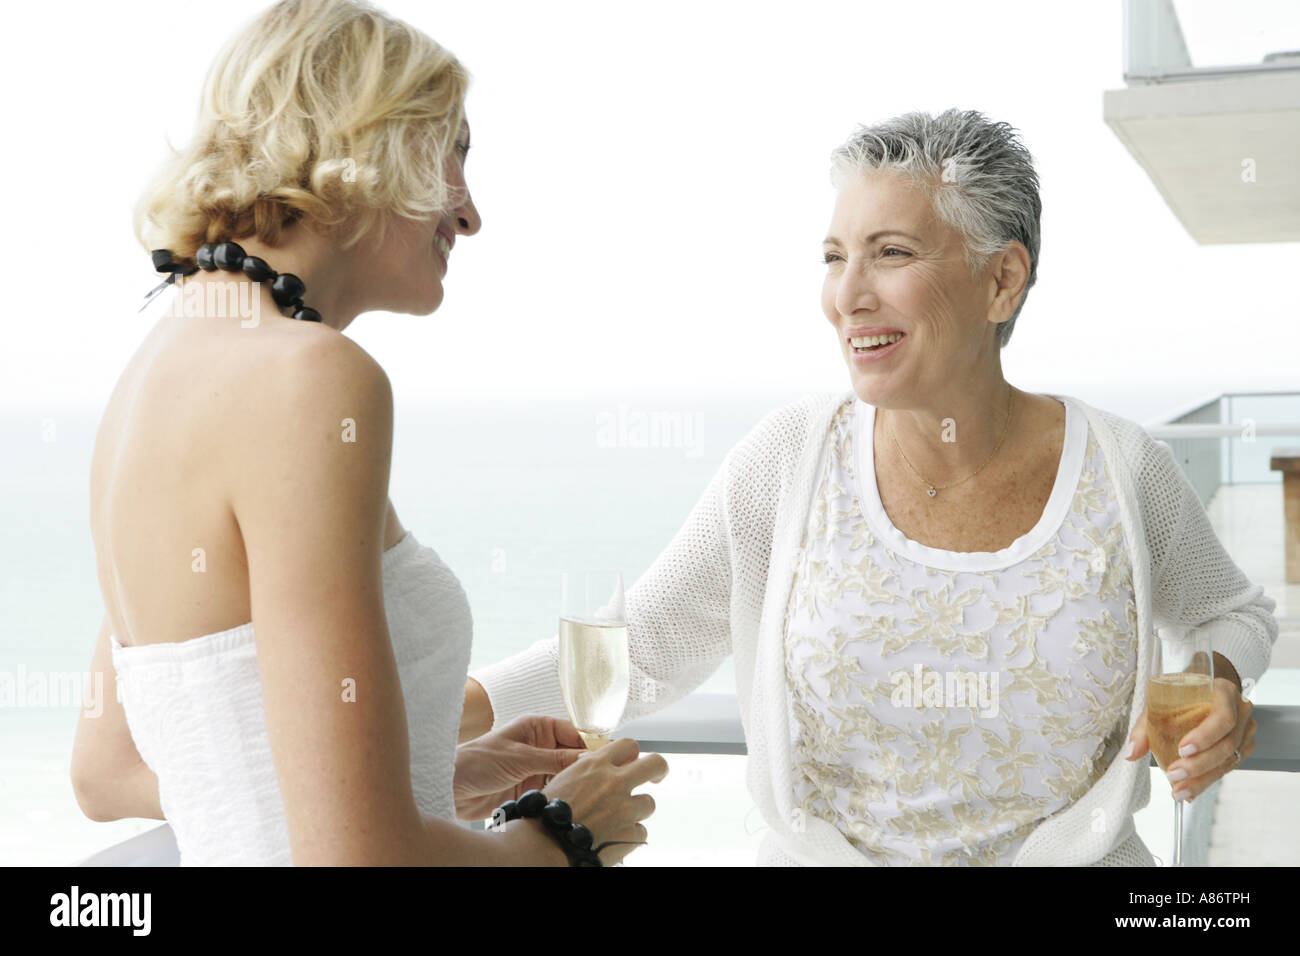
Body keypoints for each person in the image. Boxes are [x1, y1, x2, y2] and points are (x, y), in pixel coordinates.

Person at [463, 108, 1277, 866]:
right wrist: (431, 722)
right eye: (833, 257)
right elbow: (639, 646)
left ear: (1003, 281)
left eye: (890, 253)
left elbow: (1228, 614)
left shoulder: (1123, 468)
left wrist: (1214, 679)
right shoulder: (789, 459)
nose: (846, 296)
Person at [70, 0, 665, 866]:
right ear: (365, 144)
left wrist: (420, 774)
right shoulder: (310, 379)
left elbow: (110, 768)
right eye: (451, 152)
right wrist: (564, 833)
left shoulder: (157, 373)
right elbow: (360, 861)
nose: (469, 214)